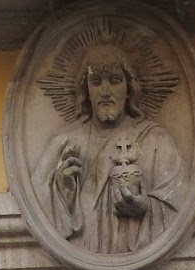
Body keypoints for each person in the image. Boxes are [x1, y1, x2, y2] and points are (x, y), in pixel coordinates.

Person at [31, 41, 186, 256]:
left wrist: (146, 207)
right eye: (96, 81)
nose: (105, 92)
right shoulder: (65, 142)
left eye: (114, 80)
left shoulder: (156, 141)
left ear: (129, 88)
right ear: (86, 89)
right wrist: (64, 194)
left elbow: (178, 207)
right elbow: (36, 209)